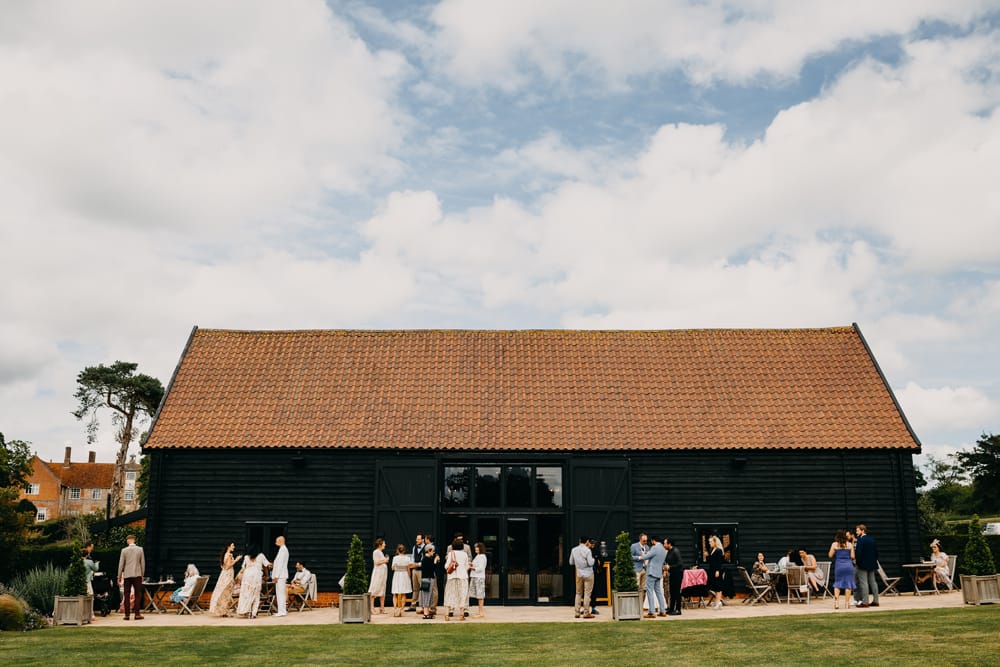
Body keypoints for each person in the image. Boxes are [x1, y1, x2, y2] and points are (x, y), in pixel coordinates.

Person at [117, 534, 145, 621]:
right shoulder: (140, 549)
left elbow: (121, 564)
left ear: (128, 540)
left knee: (126, 594)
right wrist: (142, 574)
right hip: (137, 574)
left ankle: (127, 615)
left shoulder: (124, 550)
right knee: (138, 594)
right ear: (134, 540)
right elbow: (142, 563)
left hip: (127, 575)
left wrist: (119, 576)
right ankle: (137, 614)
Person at [236, 547, 270, 619]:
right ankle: (253, 613)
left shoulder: (246, 557)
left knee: (246, 594)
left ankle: (247, 611)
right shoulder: (261, 556)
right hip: (256, 576)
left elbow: (243, 568)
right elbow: (265, 566)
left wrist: (237, 577)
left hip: (247, 576)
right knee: (256, 595)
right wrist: (267, 575)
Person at [443, 537, 470, 621]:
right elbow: (467, 566)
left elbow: (446, 566)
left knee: (449, 595)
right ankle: (461, 615)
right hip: (462, 577)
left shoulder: (451, 554)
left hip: (452, 577)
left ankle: (447, 615)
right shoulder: (465, 554)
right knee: (462, 595)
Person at [640, 536, 668, 617]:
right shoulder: (663, 549)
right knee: (658, 592)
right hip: (659, 572)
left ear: (653, 541)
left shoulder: (655, 548)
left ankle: (651, 612)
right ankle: (662, 611)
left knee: (649, 591)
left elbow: (646, 556)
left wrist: (642, 554)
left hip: (651, 572)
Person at [210, 542, 240, 616]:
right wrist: (236, 560)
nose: (234, 547)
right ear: (228, 546)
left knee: (224, 592)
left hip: (224, 574)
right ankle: (223, 611)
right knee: (226, 592)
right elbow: (228, 566)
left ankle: (223, 611)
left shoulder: (225, 555)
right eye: (232, 545)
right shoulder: (229, 555)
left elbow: (223, 566)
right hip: (227, 575)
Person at [854, 524, 879, 608]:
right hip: (872, 564)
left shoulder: (860, 540)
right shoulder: (872, 539)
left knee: (863, 583)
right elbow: (876, 553)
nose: (856, 532)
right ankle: (876, 601)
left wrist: (858, 563)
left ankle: (865, 602)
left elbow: (858, 553)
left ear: (862, 531)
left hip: (862, 565)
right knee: (873, 582)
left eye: (857, 530)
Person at [570, 535, 595, 619]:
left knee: (578, 593)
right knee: (587, 593)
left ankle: (577, 612)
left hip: (579, 573)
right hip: (588, 573)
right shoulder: (587, 550)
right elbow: (590, 563)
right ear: (587, 541)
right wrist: (593, 560)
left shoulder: (574, 550)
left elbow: (571, 562)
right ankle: (586, 612)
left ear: (579, 541)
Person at [828, 530, 855, 609]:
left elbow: (830, 555)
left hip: (839, 566)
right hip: (848, 566)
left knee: (838, 584)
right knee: (848, 584)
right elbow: (853, 556)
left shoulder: (834, 544)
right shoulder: (849, 544)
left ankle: (836, 603)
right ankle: (847, 604)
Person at [390, 543, 413, 617]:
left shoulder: (395, 558)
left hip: (397, 575)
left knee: (395, 593)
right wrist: (409, 576)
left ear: (397, 550)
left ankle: (395, 608)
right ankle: (402, 609)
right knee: (403, 593)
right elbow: (408, 568)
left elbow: (392, 568)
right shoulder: (407, 558)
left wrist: (398, 568)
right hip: (404, 575)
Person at [418, 542, 439, 619]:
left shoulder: (427, 559)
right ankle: (426, 613)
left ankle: (426, 612)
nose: (433, 553)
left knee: (429, 596)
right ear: (429, 551)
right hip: (427, 579)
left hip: (427, 578)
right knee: (426, 595)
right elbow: (431, 569)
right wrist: (435, 561)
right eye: (432, 551)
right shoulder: (426, 559)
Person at [664, 537, 684, 615]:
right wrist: (666, 568)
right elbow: (667, 562)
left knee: (677, 591)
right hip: (672, 573)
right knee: (672, 592)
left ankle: (678, 609)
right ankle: (671, 608)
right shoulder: (669, 551)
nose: (664, 545)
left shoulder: (675, 551)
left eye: (665, 543)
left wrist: (670, 567)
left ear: (669, 544)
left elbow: (680, 563)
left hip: (678, 573)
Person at [369, 538, 389, 614]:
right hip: (378, 574)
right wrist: (385, 560)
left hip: (382, 575)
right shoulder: (376, 552)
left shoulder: (380, 552)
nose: (385, 545)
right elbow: (376, 562)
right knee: (374, 589)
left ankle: (382, 608)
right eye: (384, 543)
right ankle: (371, 608)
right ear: (380, 544)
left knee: (382, 590)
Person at [406, 533, 425, 612]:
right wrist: (412, 563)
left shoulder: (426, 547)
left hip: (421, 570)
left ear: (423, 540)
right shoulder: (414, 547)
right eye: (417, 539)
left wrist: (418, 564)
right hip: (414, 570)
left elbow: (424, 560)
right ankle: (413, 605)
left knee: (423, 588)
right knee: (415, 588)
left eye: (418, 539)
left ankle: (424, 606)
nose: (417, 540)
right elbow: (413, 557)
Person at [469, 541, 488, 618]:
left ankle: (481, 613)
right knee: (478, 595)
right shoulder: (478, 556)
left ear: (480, 548)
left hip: (479, 577)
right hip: (475, 576)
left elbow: (481, 568)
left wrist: (471, 567)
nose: (475, 549)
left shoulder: (482, 556)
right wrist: (471, 564)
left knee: (480, 595)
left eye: (477, 547)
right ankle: (479, 612)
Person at [272, 535, 289, 617]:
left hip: (280, 575)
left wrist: (276, 576)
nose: (275, 542)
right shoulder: (282, 550)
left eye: (277, 540)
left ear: (281, 541)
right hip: (280, 575)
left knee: (281, 593)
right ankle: (281, 610)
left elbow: (280, 564)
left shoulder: (283, 550)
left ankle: (282, 611)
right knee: (279, 593)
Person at [706, 535, 725, 610]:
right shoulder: (712, 550)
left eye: (711, 542)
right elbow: (711, 561)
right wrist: (707, 556)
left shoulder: (718, 550)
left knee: (718, 587)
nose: (709, 543)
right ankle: (717, 601)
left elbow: (719, 562)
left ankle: (718, 602)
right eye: (709, 542)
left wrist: (717, 570)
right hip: (712, 570)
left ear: (715, 542)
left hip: (717, 570)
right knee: (714, 586)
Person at [631, 533, 648, 610]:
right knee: (636, 587)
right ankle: (635, 605)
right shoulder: (634, 546)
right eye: (644, 541)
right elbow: (630, 556)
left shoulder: (647, 547)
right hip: (636, 569)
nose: (645, 542)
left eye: (646, 541)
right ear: (640, 539)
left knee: (643, 588)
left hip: (645, 569)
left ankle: (641, 605)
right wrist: (639, 557)